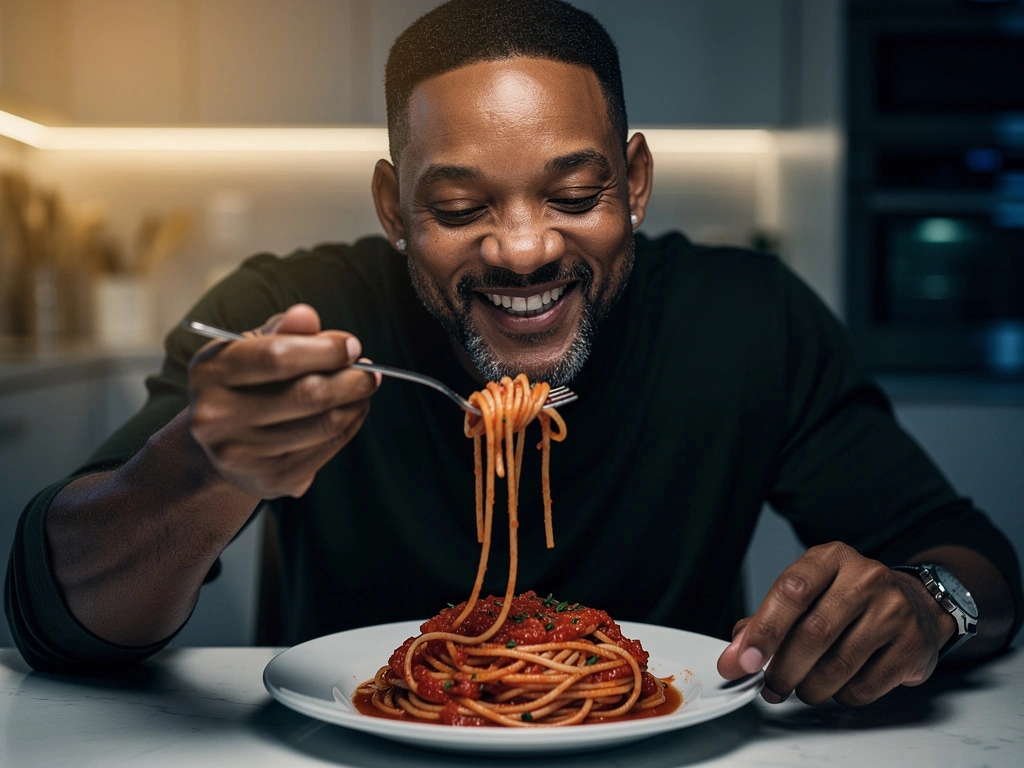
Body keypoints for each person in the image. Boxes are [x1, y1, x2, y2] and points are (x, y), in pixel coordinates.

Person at [5, 0, 1020, 708]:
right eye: (456, 208)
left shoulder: (750, 319)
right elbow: (60, 617)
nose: (524, 249)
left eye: (575, 196)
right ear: (392, 210)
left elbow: (972, 556)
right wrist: (201, 464)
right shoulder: (283, 312)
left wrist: (930, 605)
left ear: (636, 181)